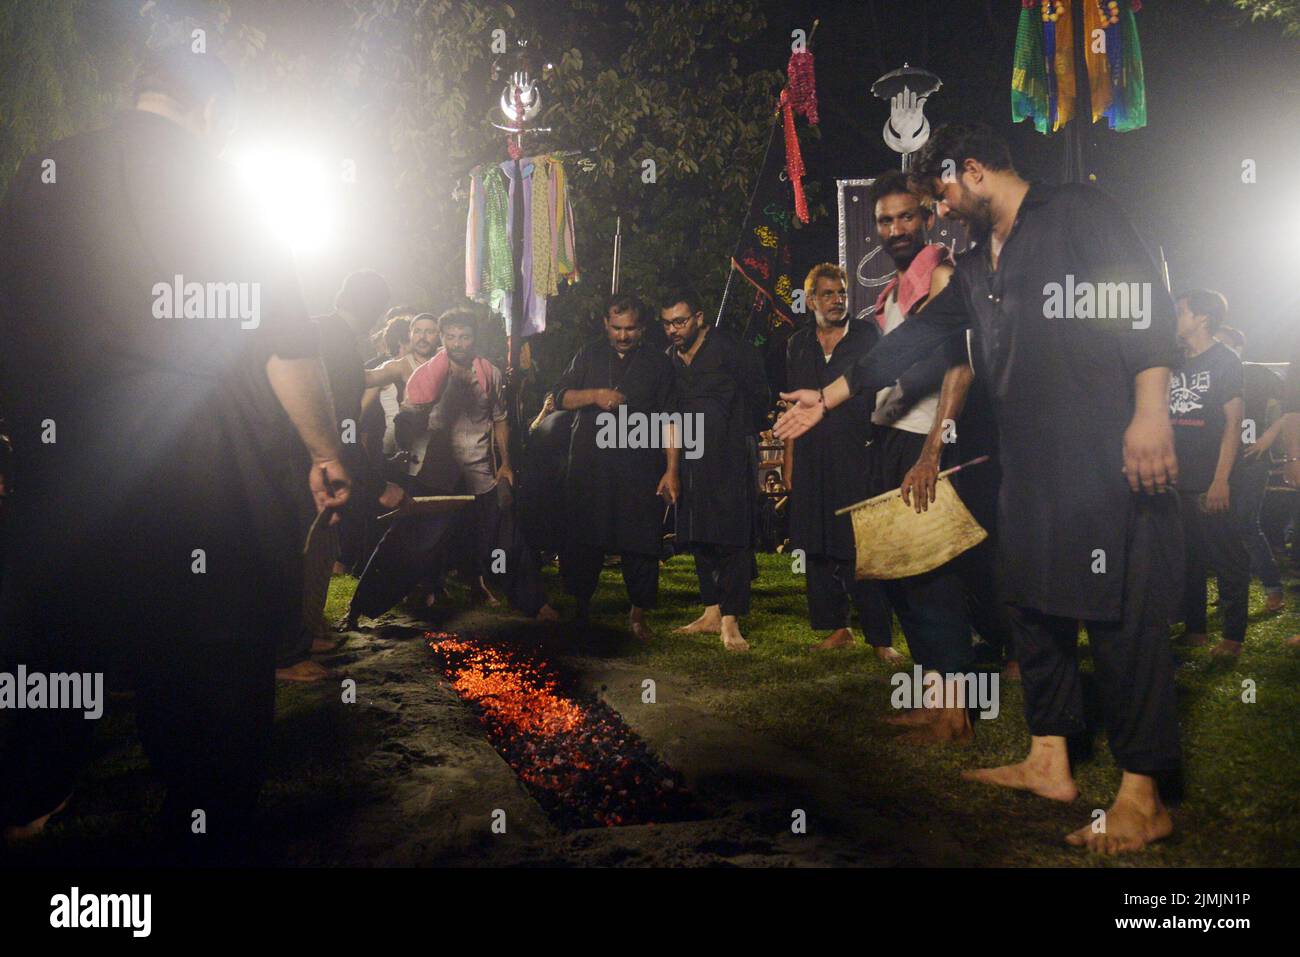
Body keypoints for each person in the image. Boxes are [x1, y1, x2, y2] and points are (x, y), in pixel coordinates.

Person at [775, 123, 1184, 854]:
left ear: (972, 171)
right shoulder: (973, 265)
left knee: (1122, 616)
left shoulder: (1077, 215)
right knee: (1031, 605)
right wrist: (829, 397)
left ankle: (1142, 795)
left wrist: (1151, 411)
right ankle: (1050, 760)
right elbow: (916, 342)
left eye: (941, 194)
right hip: (1028, 464)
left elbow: (1142, 303)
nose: (938, 211)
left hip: (1102, 451)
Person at [0, 46, 351, 856]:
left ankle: (27, 807)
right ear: (213, 113)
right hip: (201, 471)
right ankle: (200, 825)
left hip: (69, 469)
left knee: (55, 664)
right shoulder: (227, 191)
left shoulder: (41, 173)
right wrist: (323, 447)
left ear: (137, 95)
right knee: (210, 677)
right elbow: (285, 344)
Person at [348, 309, 554, 624]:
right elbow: (405, 424)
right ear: (444, 338)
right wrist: (410, 430)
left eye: (465, 337)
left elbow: (500, 421)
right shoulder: (425, 375)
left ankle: (534, 603)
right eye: (452, 337)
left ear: (475, 338)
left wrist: (506, 465)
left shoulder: (490, 374)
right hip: (434, 477)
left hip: (479, 475)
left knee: (504, 543)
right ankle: (361, 608)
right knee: (408, 544)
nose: (458, 344)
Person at [784, 264, 899, 660]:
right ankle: (836, 627)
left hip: (859, 452)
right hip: (812, 456)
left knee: (861, 545)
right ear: (811, 299)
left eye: (841, 293)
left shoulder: (868, 337)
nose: (836, 301)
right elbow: (794, 408)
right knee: (815, 544)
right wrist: (789, 461)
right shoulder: (797, 344)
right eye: (828, 294)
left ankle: (881, 638)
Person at [554, 295, 680, 640]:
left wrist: (671, 470)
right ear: (605, 325)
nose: (623, 336)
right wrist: (595, 395)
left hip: (639, 466)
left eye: (631, 329)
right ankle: (580, 610)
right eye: (616, 328)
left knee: (641, 542)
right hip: (589, 466)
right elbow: (560, 396)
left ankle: (638, 616)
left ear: (642, 327)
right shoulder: (589, 354)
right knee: (583, 539)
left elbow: (671, 418)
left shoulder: (659, 363)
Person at [661, 287, 768, 652]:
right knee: (697, 533)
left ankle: (731, 620)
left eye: (680, 321)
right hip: (691, 460)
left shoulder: (730, 348)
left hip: (732, 453)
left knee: (733, 536)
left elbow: (759, 394)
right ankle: (710, 612)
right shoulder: (670, 361)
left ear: (699, 318)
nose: (674, 329)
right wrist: (672, 469)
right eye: (667, 324)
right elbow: (670, 417)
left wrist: (740, 434)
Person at [1170, 291, 1249, 658]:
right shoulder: (1175, 360)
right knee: (1189, 557)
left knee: (1226, 554)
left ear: (1202, 318)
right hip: (1178, 479)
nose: (1176, 316)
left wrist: (1220, 479)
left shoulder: (1225, 360)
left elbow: (1233, 424)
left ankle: (1233, 636)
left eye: (1182, 311)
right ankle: (1196, 628)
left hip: (1210, 476)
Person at [1215, 324, 1285, 613]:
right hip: (1219, 460)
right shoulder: (1210, 375)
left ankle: (1273, 588)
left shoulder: (1256, 372)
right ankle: (1230, 592)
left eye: (1225, 343)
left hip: (1252, 459)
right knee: (1219, 527)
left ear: (1239, 347)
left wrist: (1268, 437)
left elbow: (1289, 408)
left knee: (1245, 523)